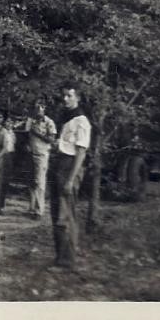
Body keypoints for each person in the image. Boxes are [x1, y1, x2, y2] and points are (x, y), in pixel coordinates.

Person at [49, 83, 91, 269]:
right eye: (63, 96)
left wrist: (71, 180)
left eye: (69, 96)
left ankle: (67, 261)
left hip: (70, 168)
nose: (65, 99)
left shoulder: (82, 121)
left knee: (65, 215)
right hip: (60, 165)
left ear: (78, 98)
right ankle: (61, 257)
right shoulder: (67, 119)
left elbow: (81, 153)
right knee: (57, 213)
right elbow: (66, 145)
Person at [27, 100, 57, 219]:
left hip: (42, 155)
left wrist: (37, 134)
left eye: (41, 107)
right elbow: (26, 135)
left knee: (40, 182)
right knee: (31, 182)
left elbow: (51, 140)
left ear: (44, 109)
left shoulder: (49, 122)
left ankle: (39, 211)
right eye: (36, 107)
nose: (38, 109)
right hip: (31, 154)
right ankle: (32, 208)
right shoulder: (31, 121)